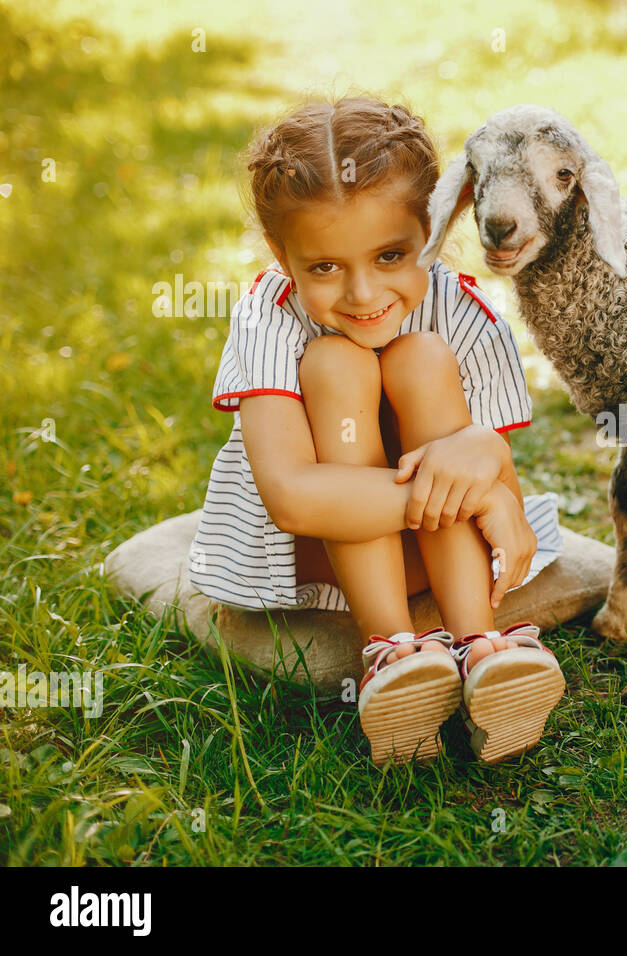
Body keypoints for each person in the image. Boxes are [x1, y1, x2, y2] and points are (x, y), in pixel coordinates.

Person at [188, 96, 566, 766]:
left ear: (435, 226)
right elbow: (293, 497)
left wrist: (482, 461)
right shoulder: (265, 317)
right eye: (325, 267)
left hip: (429, 552)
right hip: (311, 555)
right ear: (282, 255)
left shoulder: (461, 308)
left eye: (392, 255)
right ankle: (392, 652)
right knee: (334, 360)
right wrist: (473, 491)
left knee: (421, 360)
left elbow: (496, 484)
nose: (363, 295)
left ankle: (479, 648)